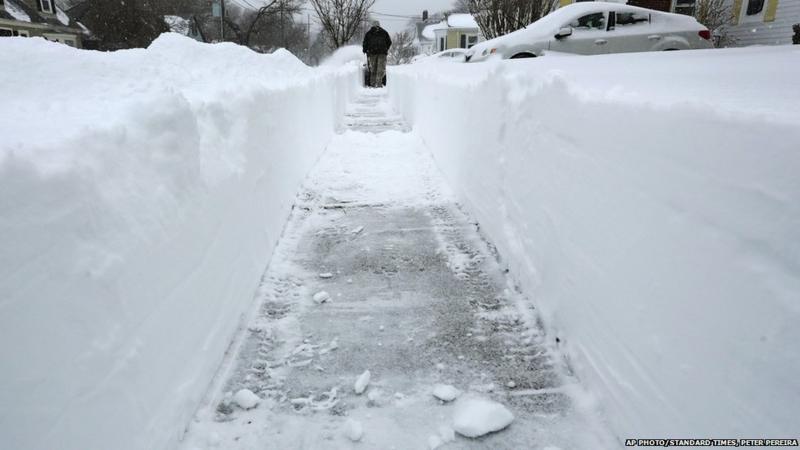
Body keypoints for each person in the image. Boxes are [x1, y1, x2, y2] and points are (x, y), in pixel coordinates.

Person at [362, 20, 392, 88]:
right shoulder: (384, 32)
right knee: (380, 69)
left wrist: (365, 50)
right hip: (381, 53)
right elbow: (389, 42)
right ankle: (378, 84)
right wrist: (385, 48)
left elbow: (365, 43)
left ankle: (373, 84)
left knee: (373, 69)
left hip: (372, 53)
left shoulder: (369, 33)